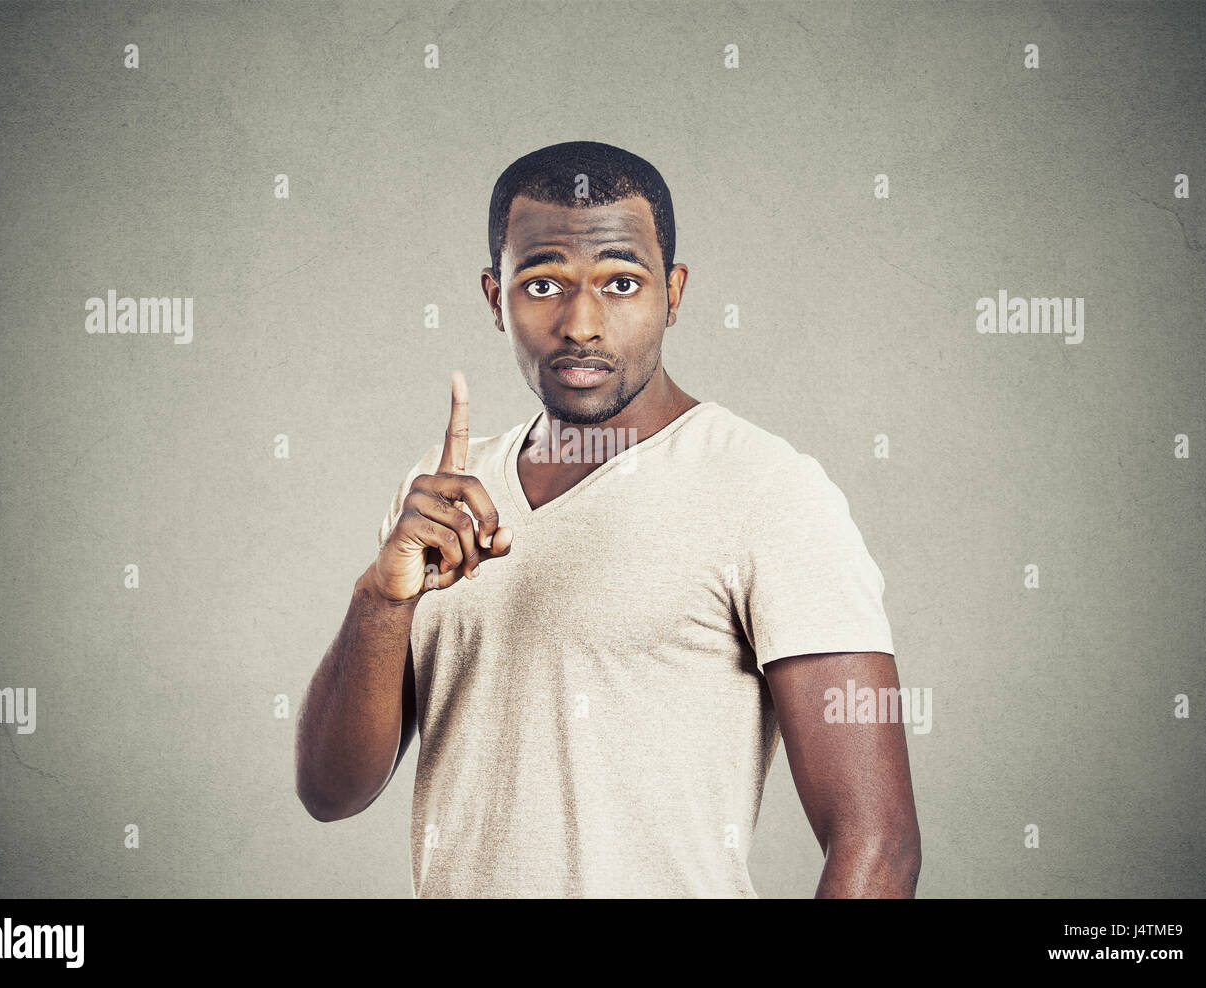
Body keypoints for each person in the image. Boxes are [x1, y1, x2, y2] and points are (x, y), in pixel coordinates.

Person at [296, 140, 921, 898]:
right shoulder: (445, 496)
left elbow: (877, 844)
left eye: (621, 282)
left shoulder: (768, 489)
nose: (582, 322)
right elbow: (331, 795)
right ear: (495, 298)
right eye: (544, 282)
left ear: (675, 292)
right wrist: (381, 600)